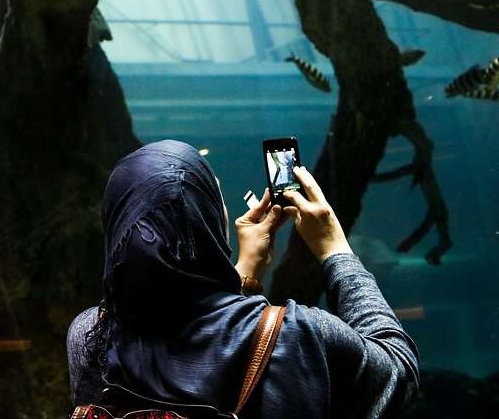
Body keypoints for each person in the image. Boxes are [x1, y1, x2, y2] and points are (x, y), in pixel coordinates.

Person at [66, 140, 418, 419]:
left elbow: (189, 335)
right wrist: (334, 249)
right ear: (205, 225)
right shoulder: (295, 334)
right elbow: (397, 375)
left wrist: (242, 275)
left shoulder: (88, 337)